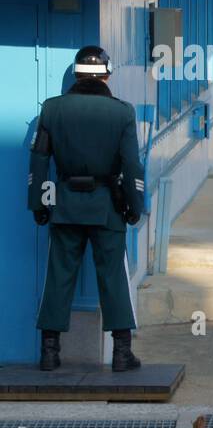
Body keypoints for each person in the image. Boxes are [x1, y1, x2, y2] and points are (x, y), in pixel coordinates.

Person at [28, 46, 145, 373]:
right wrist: (135, 205)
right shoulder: (122, 113)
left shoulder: (52, 109)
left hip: (65, 203)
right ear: (106, 74)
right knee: (114, 277)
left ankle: (49, 352)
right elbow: (131, 165)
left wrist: (38, 202)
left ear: (77, 74)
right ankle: (122, 352)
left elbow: (38, 161)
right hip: (107, 205)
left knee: (58, 276)